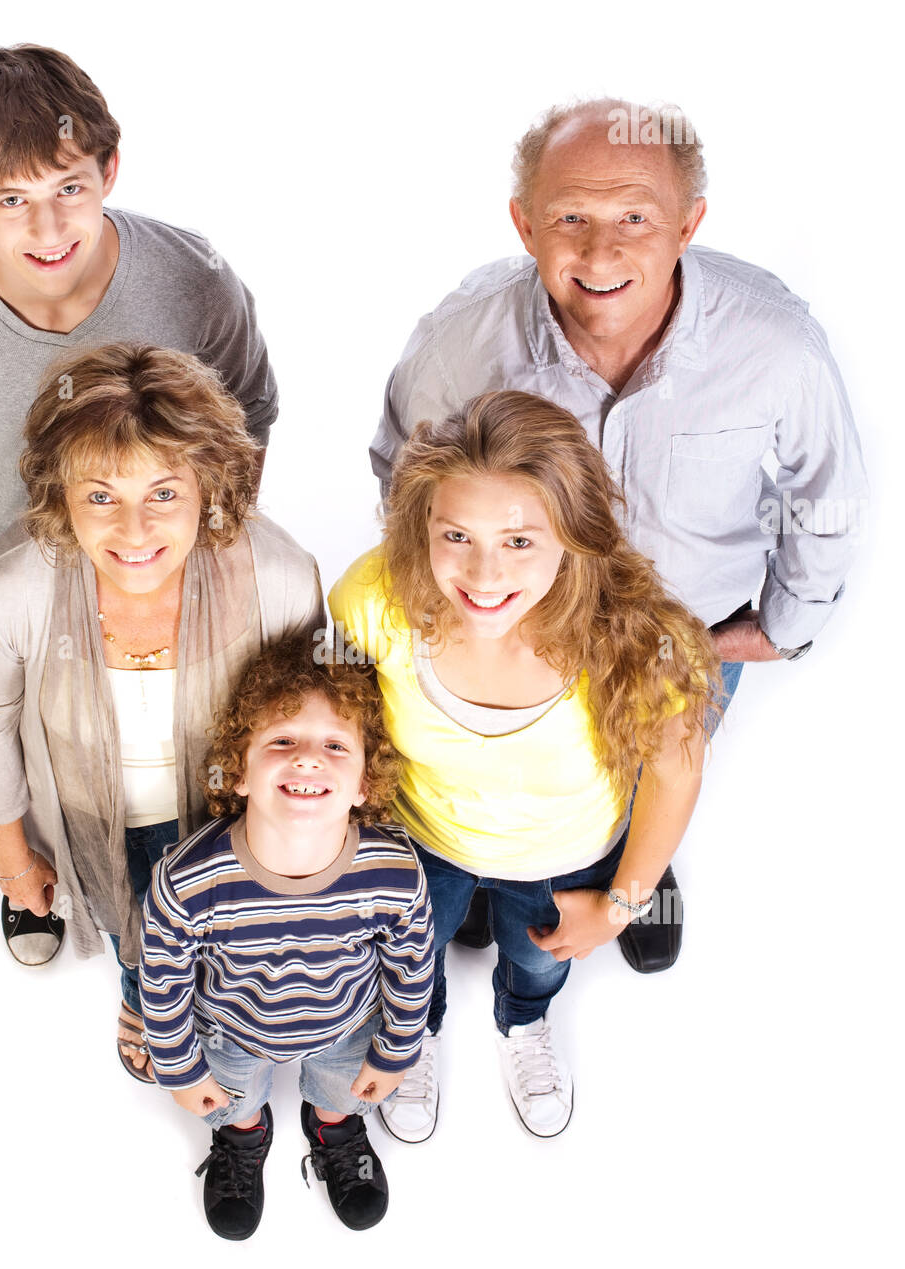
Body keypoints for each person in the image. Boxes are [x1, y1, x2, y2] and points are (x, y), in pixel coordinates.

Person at [368, 97, 866, 973]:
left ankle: (642, 873)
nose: (600, 253)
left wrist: (783, 624)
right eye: (570, 218)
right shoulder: (461, 342)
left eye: (634, 217)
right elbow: (398, 469)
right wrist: (455, 603)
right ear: (524, 224)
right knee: (498, 769)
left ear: (688, 225)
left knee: (657, 772)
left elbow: (824, 493)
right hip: (514, 626)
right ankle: (485, 876)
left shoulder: (774, 345)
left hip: (687, 630)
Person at [0, 43, 277, 963]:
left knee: (176, 743)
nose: (46, 225)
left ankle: (206, 886)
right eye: (11, 200)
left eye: (69, 188)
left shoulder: (191, 277)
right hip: (16, 586)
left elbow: (250, 408)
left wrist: (211, 543)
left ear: (108, 169)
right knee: (36, 750)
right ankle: (26, 870)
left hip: (159, 556)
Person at [331, 390, 718, 1142]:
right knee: (413, 957)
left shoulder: (638, 640)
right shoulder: (372, 599)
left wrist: (618, 907)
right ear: (423, 528)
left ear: (573, 536)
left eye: (518, 542)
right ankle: (416, 1037)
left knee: (536, 961)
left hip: (560, 855)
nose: (481, 574)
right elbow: (341, 724)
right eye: (456, 535)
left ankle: (524, 1026)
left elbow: (674, 777)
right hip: (425, 843)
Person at [0, 344, 320, 1083]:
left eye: (162, 493)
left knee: (228, 932)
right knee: (136, 931)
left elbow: (310, 725)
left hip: (226, 808)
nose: (133, 530)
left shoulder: (279, 578)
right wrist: (13, 860)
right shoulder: (5, 592)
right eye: (99, 497)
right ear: (59, 494)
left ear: (208, 486)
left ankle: (219, 1001)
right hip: (94, 811)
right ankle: (142, 997)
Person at [140, 638, 434, 1239]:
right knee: (233, 1099)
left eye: (334, 745)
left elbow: (412, 967)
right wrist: (180, 1069)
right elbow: (163, 980)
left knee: (341, 1088)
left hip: (347, 1024)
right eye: (281, 741)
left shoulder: (394, 872)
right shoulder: (188, 879)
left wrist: (396, 1050)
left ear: (363, 783)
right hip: (231, 1029)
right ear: (240, 770)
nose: (307, 759)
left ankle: (333, 1128)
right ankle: (243, 1138)